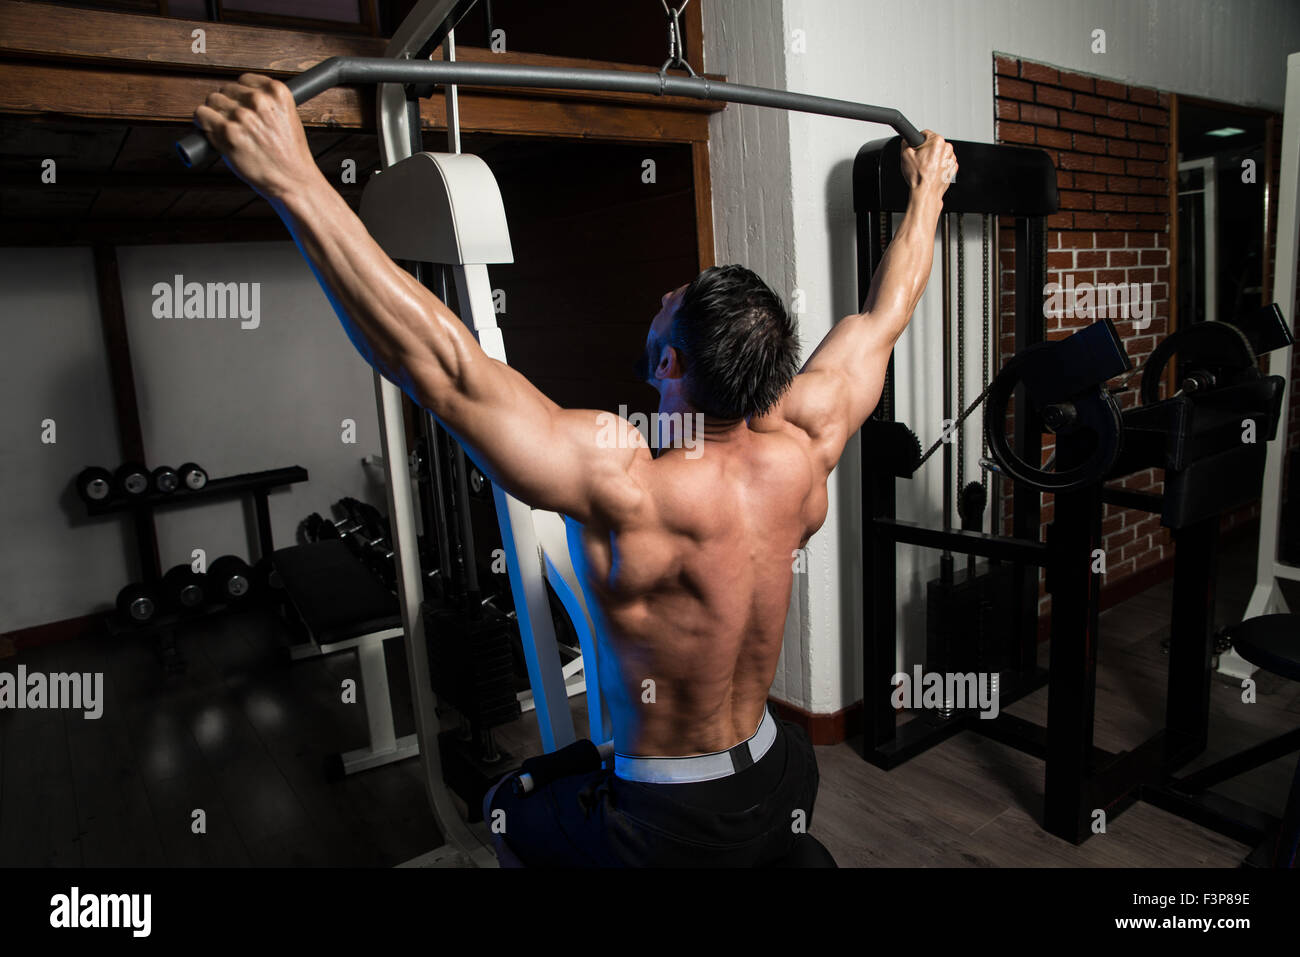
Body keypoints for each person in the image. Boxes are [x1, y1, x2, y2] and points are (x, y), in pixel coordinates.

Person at [193, 74, 955, 866]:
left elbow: (442, 367)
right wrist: (928, 189)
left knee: (501, 815)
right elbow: (882, 315)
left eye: (672, 300)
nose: (665, 290)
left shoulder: (628, 484)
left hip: (668, 823)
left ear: (668, 360)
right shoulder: (807, 441)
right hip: (778, 770)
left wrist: (293, 177)